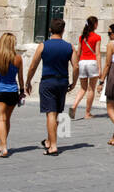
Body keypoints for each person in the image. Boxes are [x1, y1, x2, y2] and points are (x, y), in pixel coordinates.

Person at [25, 18, 76, 155]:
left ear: (50, 30)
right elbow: (76, 66)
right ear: (63, 30)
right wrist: (74, 82)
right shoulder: (70, 47)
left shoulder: (43, 45)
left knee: (50, 113)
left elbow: (33, 66)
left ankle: (53, 146)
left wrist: (28, 82)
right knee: (57, 113)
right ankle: (49, 140)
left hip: (48, 81)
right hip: (62, 82)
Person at [0, 33, 23, 157]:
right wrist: (22, 91)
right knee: (7, 119)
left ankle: (3, 146)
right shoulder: (18, 58)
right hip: (13, 92)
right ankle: (1, 143)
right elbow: (20, 78)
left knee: (0, 119)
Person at [69, 16, 102, 120]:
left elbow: (78, 53)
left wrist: (76, 64)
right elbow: (98, 54)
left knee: (83, 88)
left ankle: (74, 106)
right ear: (95, 24)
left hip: (82, 62)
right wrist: (100, 68)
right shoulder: (97, 37)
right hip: (92, 63)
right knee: (91, 89)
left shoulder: (82, 37)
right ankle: (87, 113)